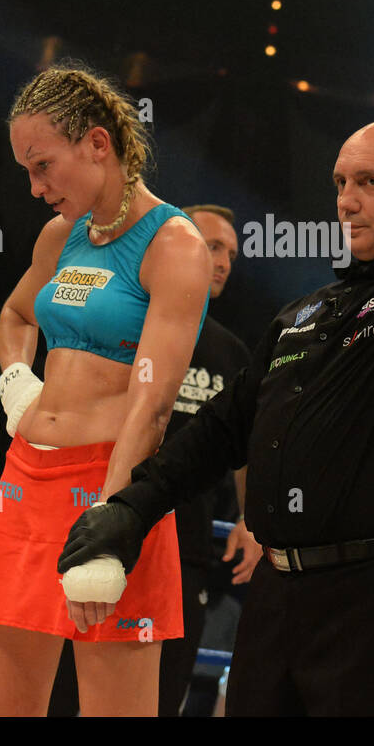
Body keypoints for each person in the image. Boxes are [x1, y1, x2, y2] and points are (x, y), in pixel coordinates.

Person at [58, 0, 374, 714]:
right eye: (341, 182)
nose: (346, 200)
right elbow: (222, 428)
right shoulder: (305, 312)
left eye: (370, 182)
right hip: (276, 599)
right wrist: (131, 508)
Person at [0, 62, 211, 717]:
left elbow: (153, 401)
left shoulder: (174, 245)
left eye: (43, 166)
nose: (35, 188)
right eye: (27, 172)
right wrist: (17, 380)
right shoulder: (59, 238)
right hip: (23, 485)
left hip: (111, 484)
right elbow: (15, 318)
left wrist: (113, 519)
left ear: (98, 144)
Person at [156, 203, 260, 717]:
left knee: (164, 694)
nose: (223, 261)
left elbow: (244, 445)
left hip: (187, 549)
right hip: (112, 528)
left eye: (231, 254)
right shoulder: (130, 324)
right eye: (212, 245)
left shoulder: (230, 353)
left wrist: (248, 515)